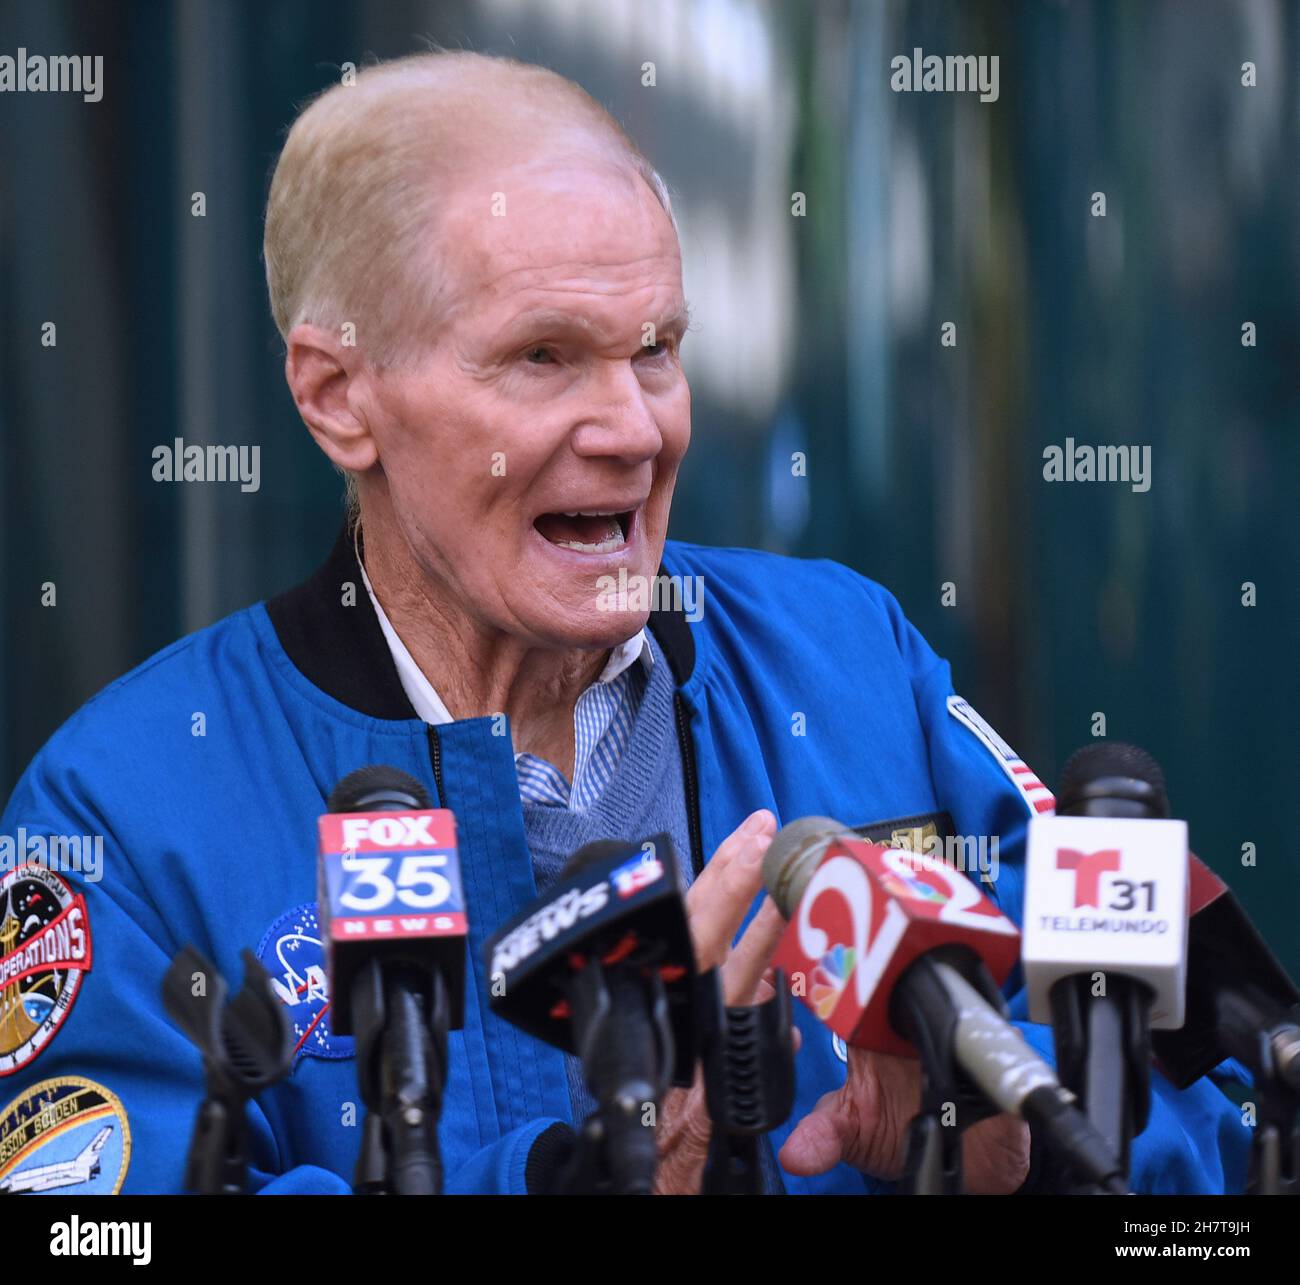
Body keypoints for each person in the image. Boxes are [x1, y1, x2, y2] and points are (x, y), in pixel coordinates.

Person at [0, 51, 1248, 1195]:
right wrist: (570, 1180)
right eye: (543, 356)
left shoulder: (846, 657)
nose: (635, 427)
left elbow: (1223, 1118)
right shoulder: (125, 806)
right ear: (339, 397)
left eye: (655, 348)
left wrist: (1030, 1157)